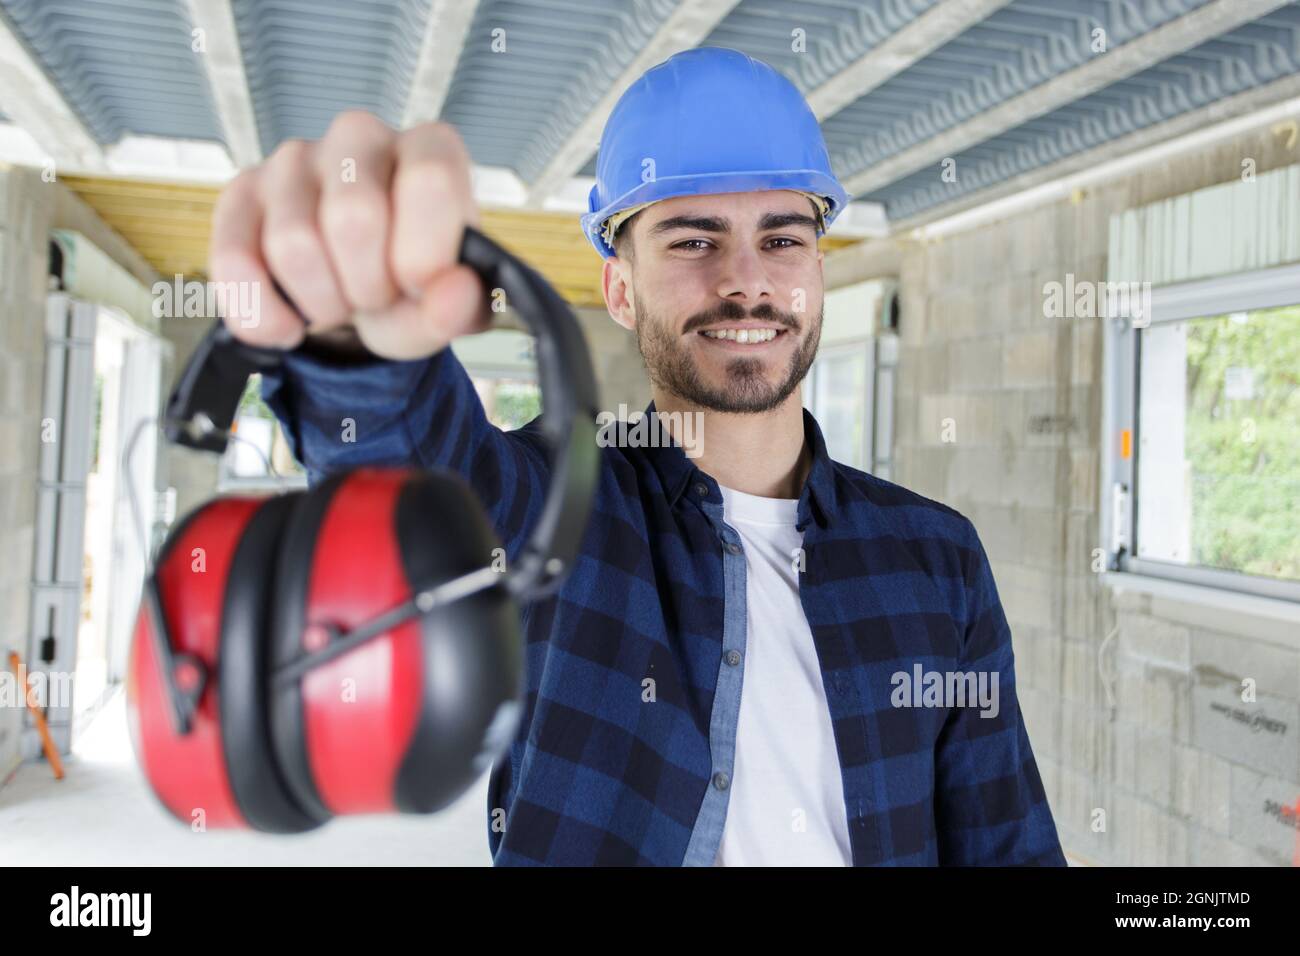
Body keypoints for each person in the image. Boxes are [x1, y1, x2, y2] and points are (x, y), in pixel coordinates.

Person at [209, 46, 1066, 866]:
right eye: (693, 240)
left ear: (818, 271)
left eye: (782, 238)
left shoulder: (936, 558)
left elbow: (1008, 844)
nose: (746, 281)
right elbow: (417, 479)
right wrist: (355, 343)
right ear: (620, 289)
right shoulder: (561, 508)